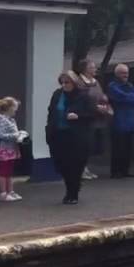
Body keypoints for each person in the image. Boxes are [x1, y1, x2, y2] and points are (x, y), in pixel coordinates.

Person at [46, 72, 99, 204]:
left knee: (75, 165)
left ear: (74, 83)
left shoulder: (83, 95)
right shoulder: (57, 94)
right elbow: (51, 111)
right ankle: (70, 187)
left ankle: (72, 193)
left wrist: (78, 116)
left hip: (77, 136)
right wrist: (49, 128)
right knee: (62, 164)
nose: (64, 85)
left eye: (67, 82)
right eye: (62, 83)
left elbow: (92, 114)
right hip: (59, 134)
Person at [71, 58, 109, 180]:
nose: (95, 69)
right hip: (84, 117)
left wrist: (104, 104)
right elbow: (82, 99)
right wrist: (94, 106)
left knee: (91, 144)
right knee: (83, 144)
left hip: (96, 117)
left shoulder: (95, 82)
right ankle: (80, 169)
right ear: (85, 70)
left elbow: (101, 95)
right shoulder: (79, 83)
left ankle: (85, 168)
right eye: (92, 67)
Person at [107, 63, 134, 178]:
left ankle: (125, 170)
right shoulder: (112, 86)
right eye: (123, 73)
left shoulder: (130, 86)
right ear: (117, 74)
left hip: (131, 121)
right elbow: (122, 97)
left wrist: (130, 97)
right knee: (118, 147)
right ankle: (115, 171)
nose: (125, 75)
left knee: (128, 147)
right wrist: (131, 97)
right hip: (118, 121)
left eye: (126, 73)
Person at [0, 97, 28, 202]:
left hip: (12, 149)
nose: (16, 109)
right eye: (15, 107)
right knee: (3, 172)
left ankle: (10, 191)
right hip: (4, 149)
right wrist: (15, 135)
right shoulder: (1, 119)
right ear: (9, 108)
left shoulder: (11, 120)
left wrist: (20, 134)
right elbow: (0, 135)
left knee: (10, 172)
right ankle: (3, 193)